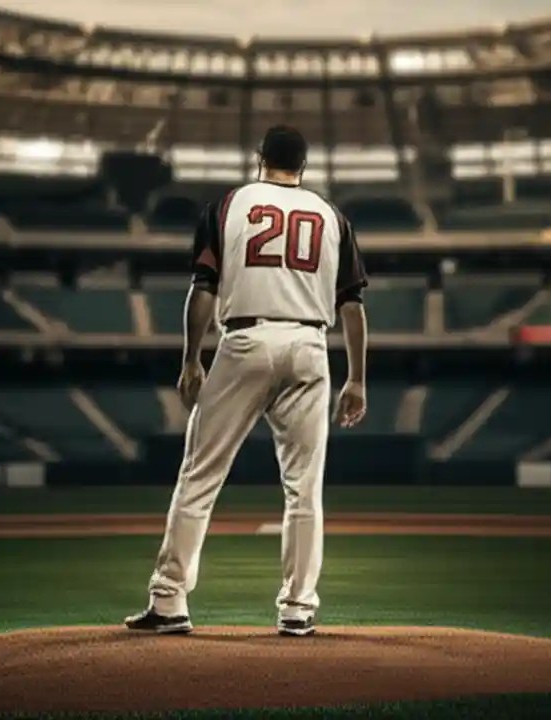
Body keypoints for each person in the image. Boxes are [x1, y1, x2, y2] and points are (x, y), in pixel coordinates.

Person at [125, 125, 369, 637]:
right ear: (303, 166)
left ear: (260, 157)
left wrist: (192, 359)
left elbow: (203, 288)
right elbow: (352, 305)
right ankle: (298, 608)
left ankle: (169, 601)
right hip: (310, 345)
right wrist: (357, 379)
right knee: (304, 490)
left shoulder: (228, 206)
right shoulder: (332, 216)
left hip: (245, 339)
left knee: (199, 475)